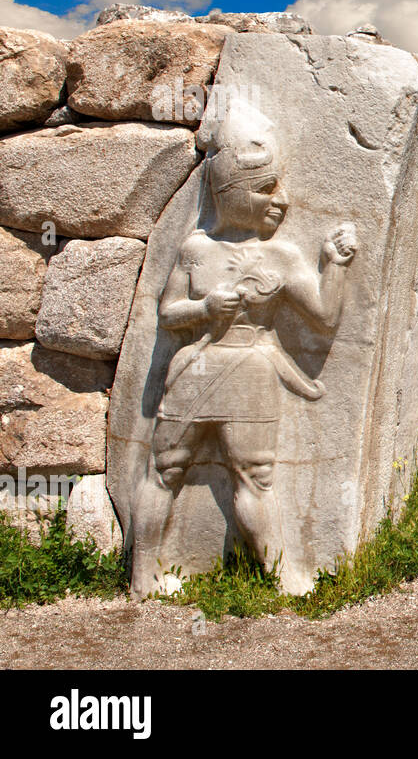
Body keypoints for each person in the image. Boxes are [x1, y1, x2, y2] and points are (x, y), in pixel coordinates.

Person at [130, 105, 356, 596]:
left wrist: (333, 265)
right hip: (195, 368)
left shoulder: (284, 256)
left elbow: (324, 317)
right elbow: (168, 314)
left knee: (256, 475)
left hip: (252, 370)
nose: (283, 201)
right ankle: (142, 570)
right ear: (230, 193)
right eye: (266, 189)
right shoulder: (196, 249)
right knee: (166, 468)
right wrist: (207, 306)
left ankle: (280, 574)